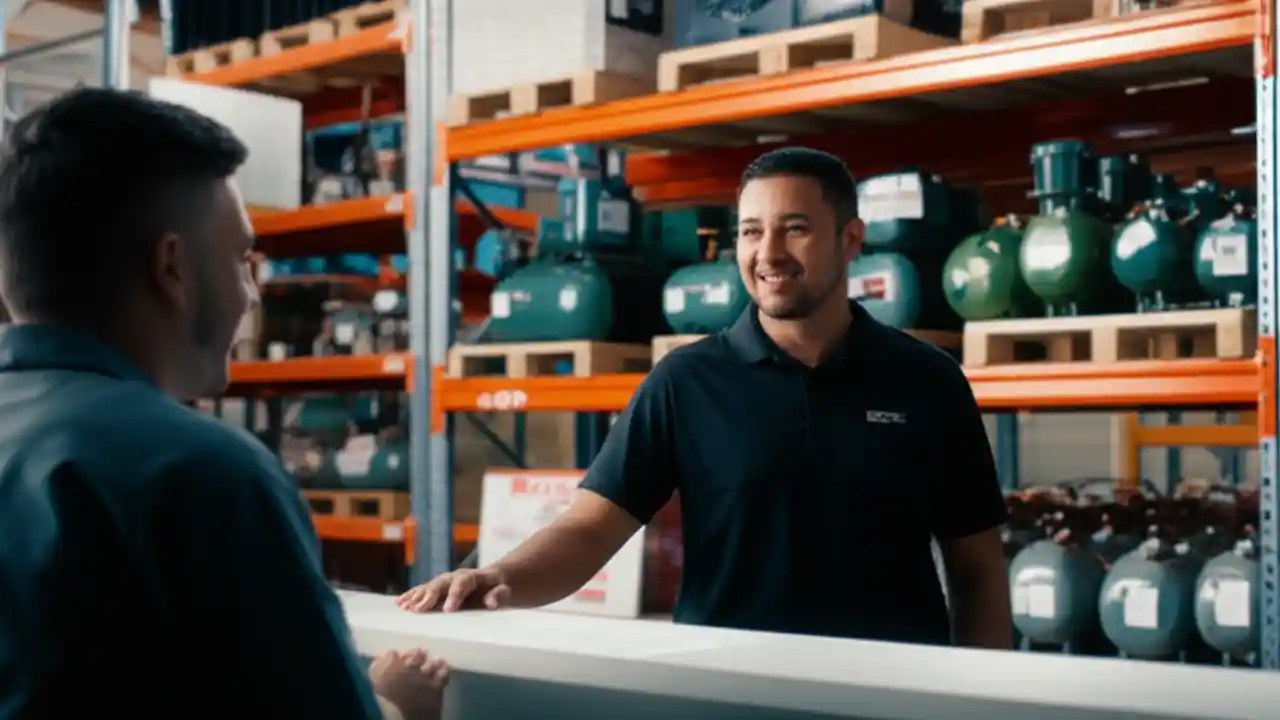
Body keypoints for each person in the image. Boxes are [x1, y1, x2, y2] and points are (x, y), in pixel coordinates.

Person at [399, 147, 1014, 649]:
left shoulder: (928, 380)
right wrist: (498, 577)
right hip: (727, 689)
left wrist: (984, 701)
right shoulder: (685, 383)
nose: (767, 254)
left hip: (893, 696)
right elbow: (590, 528)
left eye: (794, 229)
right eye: (751, 231)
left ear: (851, 239)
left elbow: (978, 568)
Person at [0, 88, 448, 719]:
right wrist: (397, 704)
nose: (250, 295)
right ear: (172, 267)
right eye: (241, 259)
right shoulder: (200, 472)